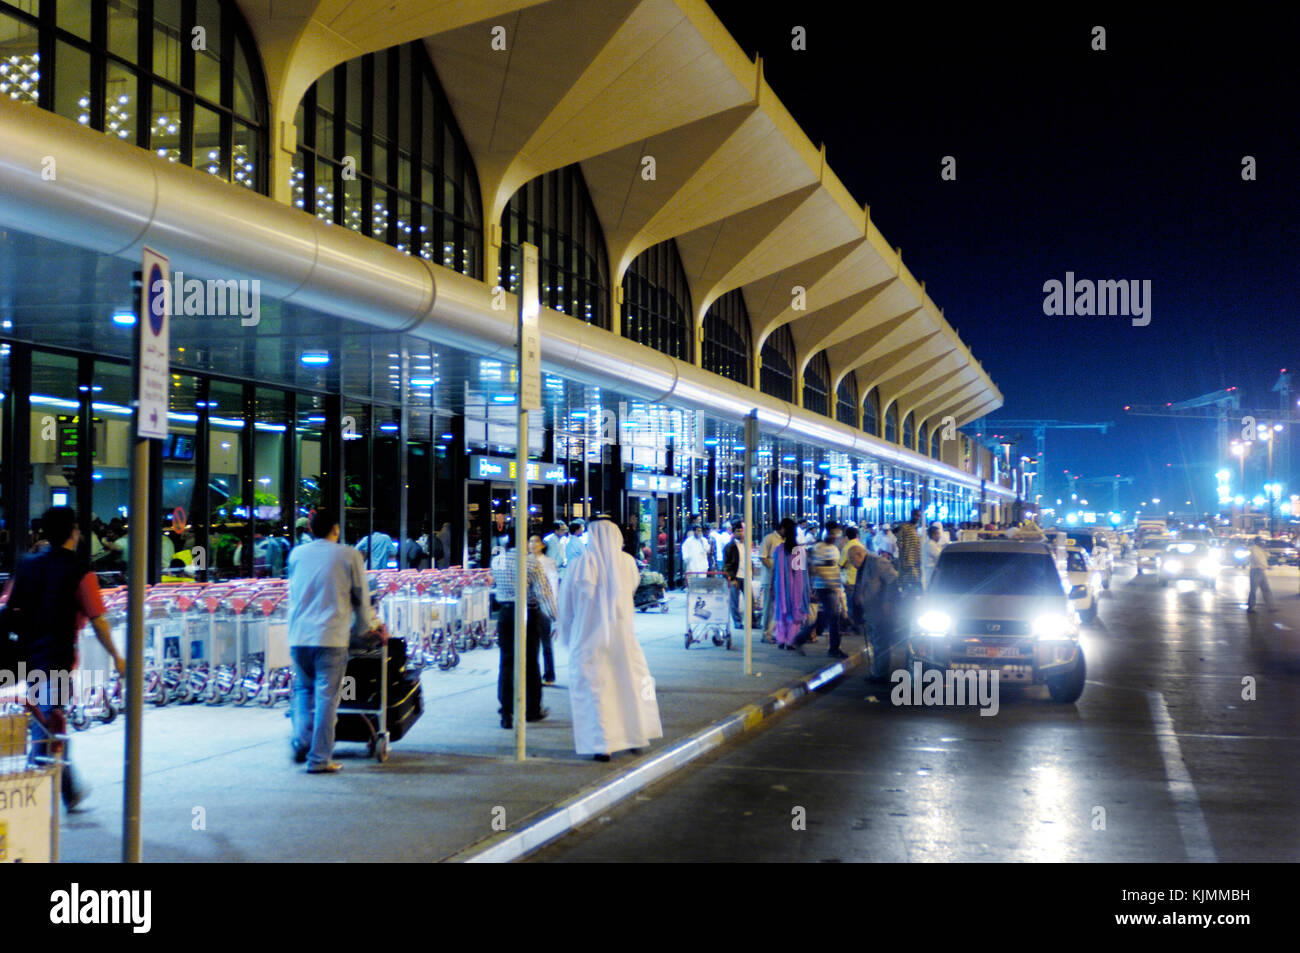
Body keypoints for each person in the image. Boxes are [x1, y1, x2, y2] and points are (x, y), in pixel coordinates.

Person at [3, 506, 126, 810]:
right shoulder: (80, 571)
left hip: (26, 657)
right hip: (56, 659)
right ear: (73, 532)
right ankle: (38, 790)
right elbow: (97, 620)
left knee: (46, 718)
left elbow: (11, 608)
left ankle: (63, 787)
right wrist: (117, 656)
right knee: (49, 721)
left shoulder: (26, 565)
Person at [287, 509, 389, 774]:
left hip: (298, 636)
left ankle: (301, 737)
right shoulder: (349, 555)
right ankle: (319, 759)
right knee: (326, 698)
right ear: (336, 529)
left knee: (302, 690)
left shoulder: (296, 554)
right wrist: (367, 631)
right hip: (330, 636)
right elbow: (361, 597)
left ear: (310, 529)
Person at [555, 518, 663, 761]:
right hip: (623, 637)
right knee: (630, 687)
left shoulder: (579, 565)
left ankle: (601, 744)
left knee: (595, 692)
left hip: (588, 639)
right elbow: (632, 589)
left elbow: (566, 605)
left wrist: (566, 633)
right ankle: (635, 736)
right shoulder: (627, 563)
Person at [494, 529, 557, 728]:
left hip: (505, 614)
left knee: (506, 662)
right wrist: (555, 618)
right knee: (530, 662)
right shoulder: (531, 563)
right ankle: (532, 709)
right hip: (527, 613)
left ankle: (506, 711)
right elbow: (544, 593)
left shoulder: (497, 561)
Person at [792, 526, 848, 658]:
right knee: (833, 618)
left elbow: (835, 568)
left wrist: (839, 584)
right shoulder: (819, 548)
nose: (834, 536)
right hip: (825, 587)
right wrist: (831, 584)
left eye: (836, 534)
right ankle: (833, 648)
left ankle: (801, 639)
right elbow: (817, 569)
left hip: (833, 587)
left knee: (826, 618)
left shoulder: (834, 549)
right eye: (832, 533)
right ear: (825, 533)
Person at [770, 518, 810, 649]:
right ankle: (790, 640)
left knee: (782, 612)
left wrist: (772, 586)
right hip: (796, 588)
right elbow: (799, 574)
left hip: (781, 587)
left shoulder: (779, 550)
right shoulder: (799, 551)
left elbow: (774, 570)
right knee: (795, 613)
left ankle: (781, 639)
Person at [529, 534, 560, 685]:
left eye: (536, 541)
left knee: (546, 643)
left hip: (544, 605)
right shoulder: (526, 561)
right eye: (531, 541)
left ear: (542, 545)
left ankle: (549, 674)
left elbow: (553, 584)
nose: (533, 544)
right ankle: (533, 675)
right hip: (530, 606)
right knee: (531, 644)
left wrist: (553, 607)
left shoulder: (549, 562)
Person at [758, 520, 784, 642]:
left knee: (775, 607)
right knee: (769, 607)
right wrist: (774, 570)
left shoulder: (784, 540)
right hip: (769, 579)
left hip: (780, 579)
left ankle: (771, 631)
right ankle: (766, 633)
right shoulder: (769, 538)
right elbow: (763, 557)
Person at [839, 526, 868, 633]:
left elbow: (840, 564)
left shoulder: (847, 547)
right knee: (859, 604)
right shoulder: (861, 546)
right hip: (861, 579)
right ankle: (861, 626)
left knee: (851, 605)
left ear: (847, 536)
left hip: (850, 580)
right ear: (857, 535)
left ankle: (854, 626)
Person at [721, 521, 748, 629]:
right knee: (734, 601)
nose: (740, 533)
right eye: (738, 531)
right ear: (733, 532)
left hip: (745, 575)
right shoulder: (730, 546)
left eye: (741, 531)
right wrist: (731, 578)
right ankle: (737, 621)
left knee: (750, 600)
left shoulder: (745, 544)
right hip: (735, 576)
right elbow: (726, 564)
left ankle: (752, 620)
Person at [895, 509, 923, 593]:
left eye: (919, 516)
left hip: (915, 561)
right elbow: (900, 543)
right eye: (916, 515)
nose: (918, 518)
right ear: (912, 515)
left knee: (914, 583)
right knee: (908, 582)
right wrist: (903, 560)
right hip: (907, 560)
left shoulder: (915, 529)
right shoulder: (905, 527)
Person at [1246, 536, 1275, 613]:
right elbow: (1258, 559)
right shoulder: (1254, 549)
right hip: (1255, 571)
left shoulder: (1260, 549)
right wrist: (1267, 566)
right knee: (1253, 590)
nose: (1262, 543)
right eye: (1261, 541)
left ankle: (1270, 607)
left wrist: (1265, 549)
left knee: (1266, 589)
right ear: (1257, 542)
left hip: (1261, 571)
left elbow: (1267, 556)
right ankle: (1251, 607)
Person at [923, 523, 944, 589]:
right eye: (938, 534)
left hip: (931, 570)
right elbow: (940, 556)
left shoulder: (933, 544)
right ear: (933, 535)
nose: (939, 536)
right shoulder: (931, 545)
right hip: (931, 570)